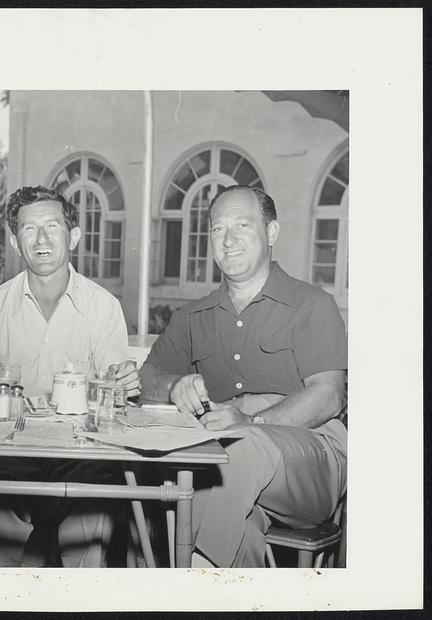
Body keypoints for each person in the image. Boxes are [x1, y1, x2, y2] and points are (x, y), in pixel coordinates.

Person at [140, 185, 347, 567]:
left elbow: (328, 396)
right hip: (228, 467)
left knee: (234, 450)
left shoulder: (312, 304)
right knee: (222, 504)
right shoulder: (192, 317)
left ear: (271, 233)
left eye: (242, 225)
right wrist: (173, 386)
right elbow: (147, 377)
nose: (229, 239)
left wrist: (252, 421)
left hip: (310, 460)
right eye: (218, 229)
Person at [0, 185, 140, 567]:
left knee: (93, 501)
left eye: (53, 226)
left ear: (75, 237)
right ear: (17, 242)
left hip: (79, 454)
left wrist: (123, 381)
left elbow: (116, 385)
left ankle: (82, 599)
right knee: (0, 506)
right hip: (10, 455)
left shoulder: (103, 307)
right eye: (29, 229)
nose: (43, 238)